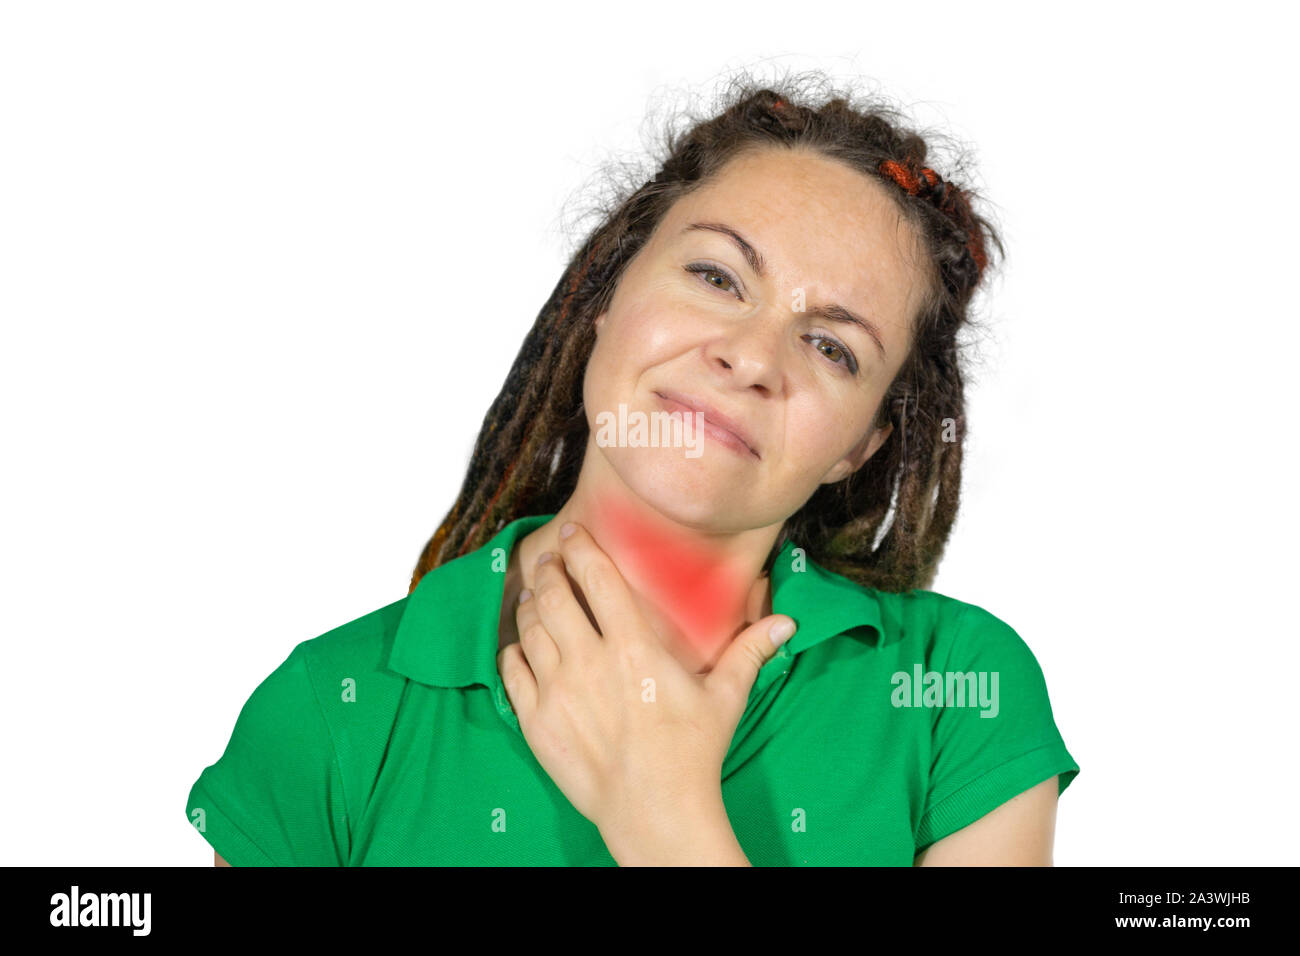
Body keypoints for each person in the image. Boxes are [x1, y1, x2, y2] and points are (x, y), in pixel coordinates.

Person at [186, 72, 1079, 866]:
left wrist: (665, 817)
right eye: (719, 277)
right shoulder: (331, 712)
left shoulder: (957, 694)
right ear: (606, 298)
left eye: (831, 347)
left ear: (859, 445)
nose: (751, 356)